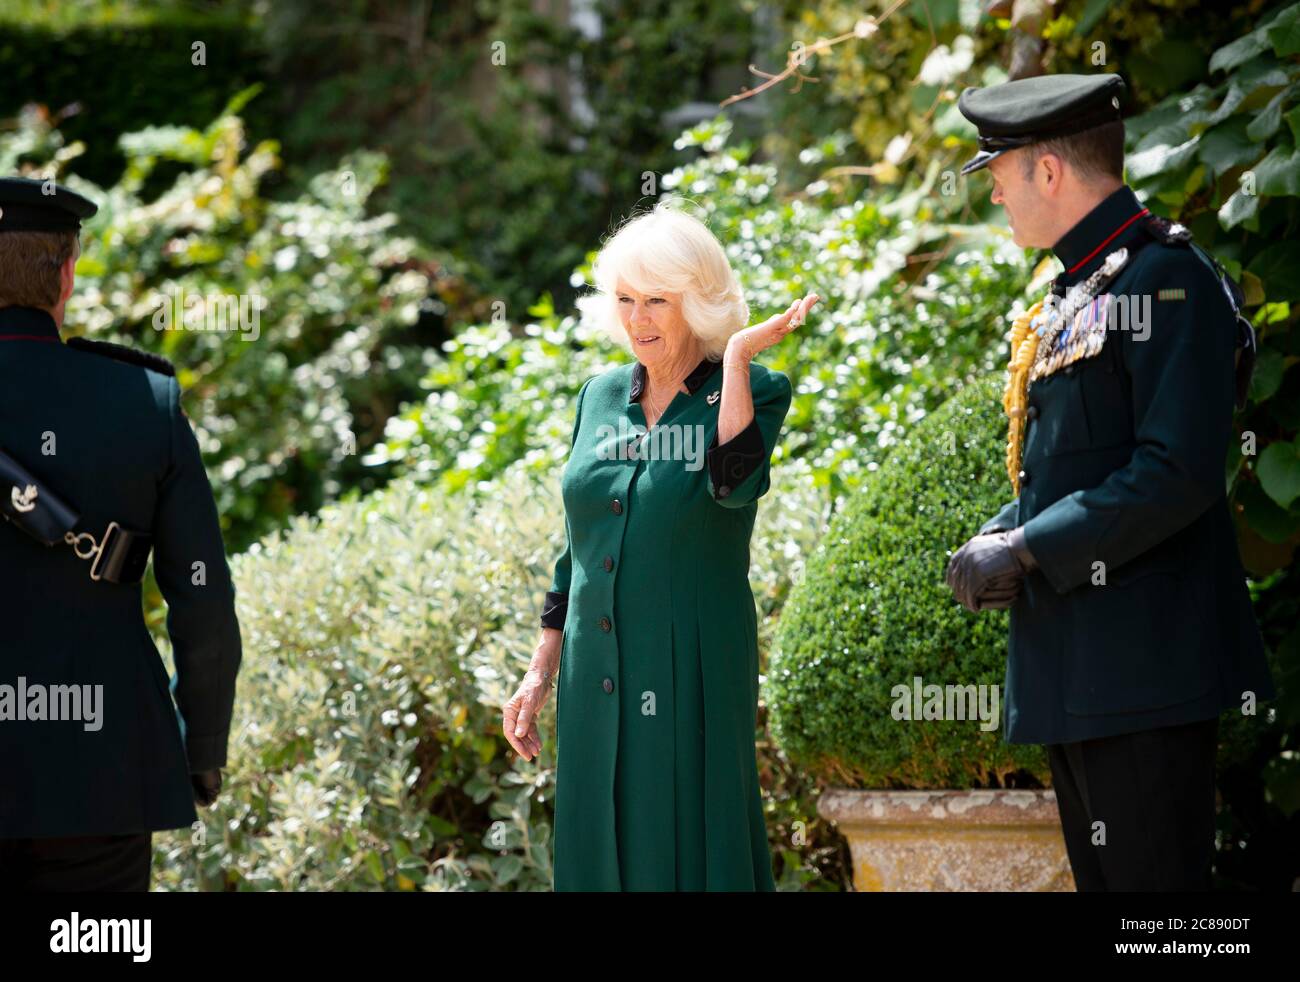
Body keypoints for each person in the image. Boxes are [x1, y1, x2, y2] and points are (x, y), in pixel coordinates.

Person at [944, 74, 1275, 891]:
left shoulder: (1165, 281)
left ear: (1048, 171)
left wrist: (1025, 550)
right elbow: (1073, 471)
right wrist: (1001, 531)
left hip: (1146, 674)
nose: (993, 194)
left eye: (997, 173)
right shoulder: (1075, 292)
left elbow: (1177, 472)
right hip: (1083, 672)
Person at [501, 202, 817, 890]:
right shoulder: (600, 394)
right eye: (624, 301)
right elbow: (579, 542)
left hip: (690, 668)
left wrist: (735, 358)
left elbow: (734, 488)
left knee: (684, 838)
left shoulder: (755, 389)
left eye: (656, 302)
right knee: (597, 838)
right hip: (594, 671)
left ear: (696, 305)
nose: (637, 319)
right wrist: (540, 668)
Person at [0, 177, 242, 891]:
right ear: (68, 271)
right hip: (101, 767)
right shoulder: (145, 401)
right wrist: (201, 746)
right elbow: (202, 601)